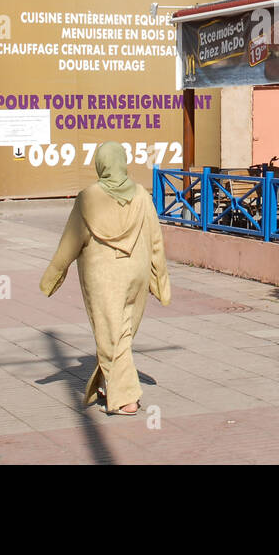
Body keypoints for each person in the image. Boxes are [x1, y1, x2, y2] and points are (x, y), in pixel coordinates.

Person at [40, 141, 171, 416]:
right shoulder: (141, 195)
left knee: (112, 336)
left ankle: (127, 399)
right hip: (137, 273)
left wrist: (51, 277)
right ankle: (106, 385)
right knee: (121, 334)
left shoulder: (88, 197)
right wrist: (160, 282)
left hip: (104, 277)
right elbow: (155, 240)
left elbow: (70, 242)